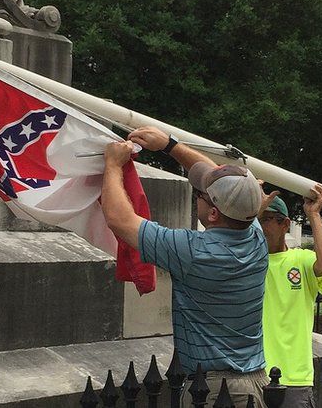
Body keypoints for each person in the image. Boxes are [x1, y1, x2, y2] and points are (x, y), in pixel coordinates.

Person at [101, 127, 269, 406]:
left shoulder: (194, 252)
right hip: (254, 379)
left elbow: (120, 219)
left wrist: (112, 164)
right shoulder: (255, 236)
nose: (196, 195)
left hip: (217, 390)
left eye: (199, 193)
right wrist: (169, 145)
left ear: (213, 213)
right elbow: (227, 182)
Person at [259, 184, 322, 408]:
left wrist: (313, 214)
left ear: (285, 224)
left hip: (293, 377)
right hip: (251, 374)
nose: (260, 226)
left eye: (266, 219)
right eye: (258, 218)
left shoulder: (300, 259)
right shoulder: (248, 261)